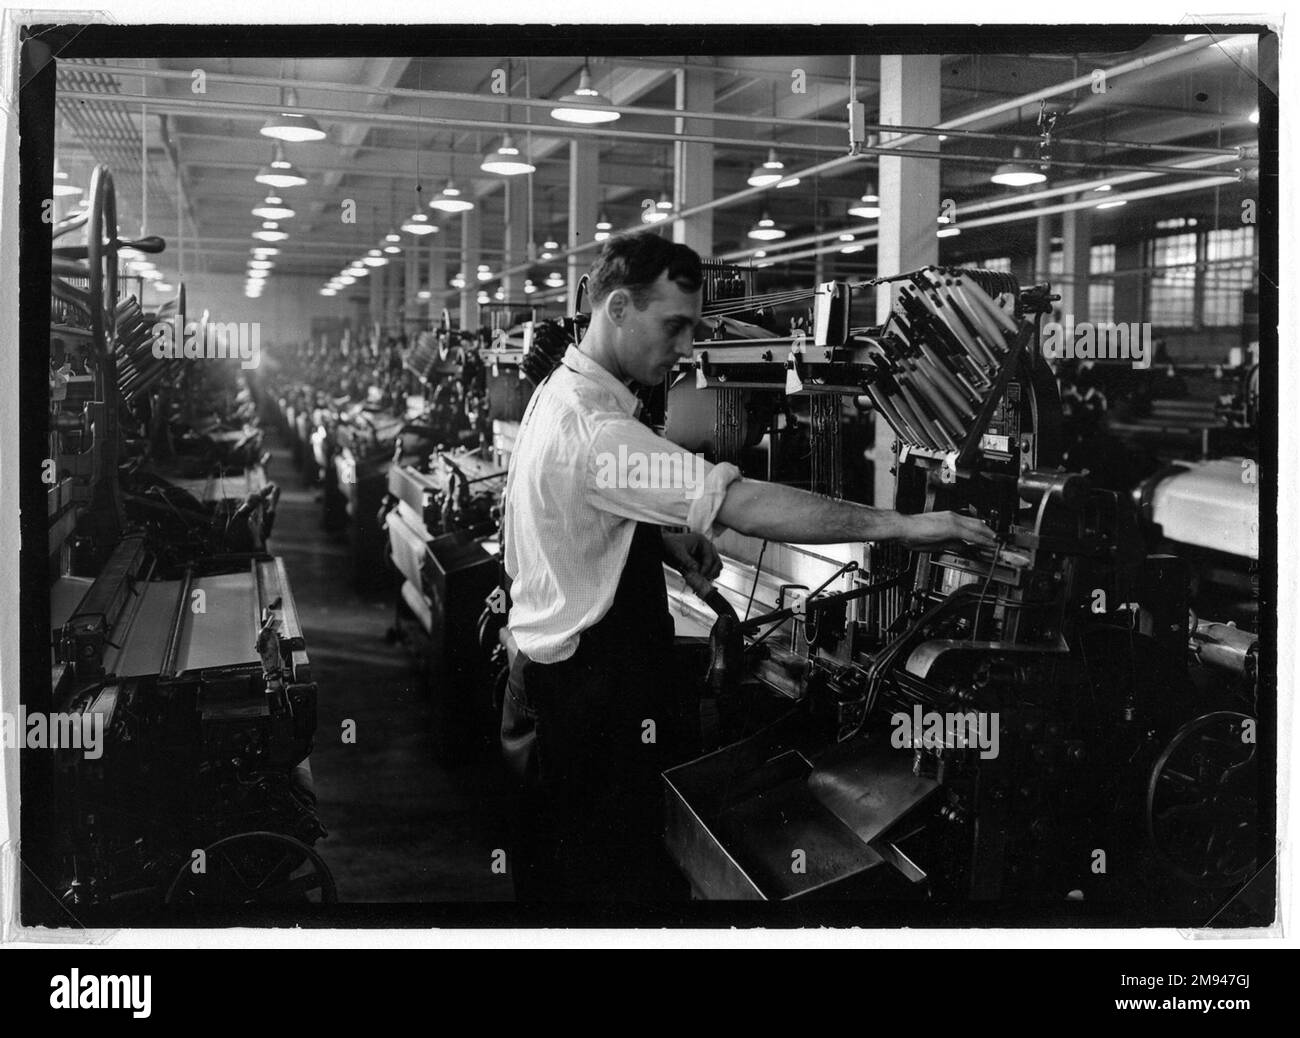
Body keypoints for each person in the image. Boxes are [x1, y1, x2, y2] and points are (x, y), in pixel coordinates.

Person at [500, 232, 995, 902]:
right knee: (604, 887)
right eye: (672, 326)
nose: (682, 350)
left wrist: (659, 536)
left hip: (549, 682)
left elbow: (560, 510)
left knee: (572, 880)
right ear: (616, 308)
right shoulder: (599, 430)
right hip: (588, 710)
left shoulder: (561, 394)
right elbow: (744, 504)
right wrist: (903, 526)